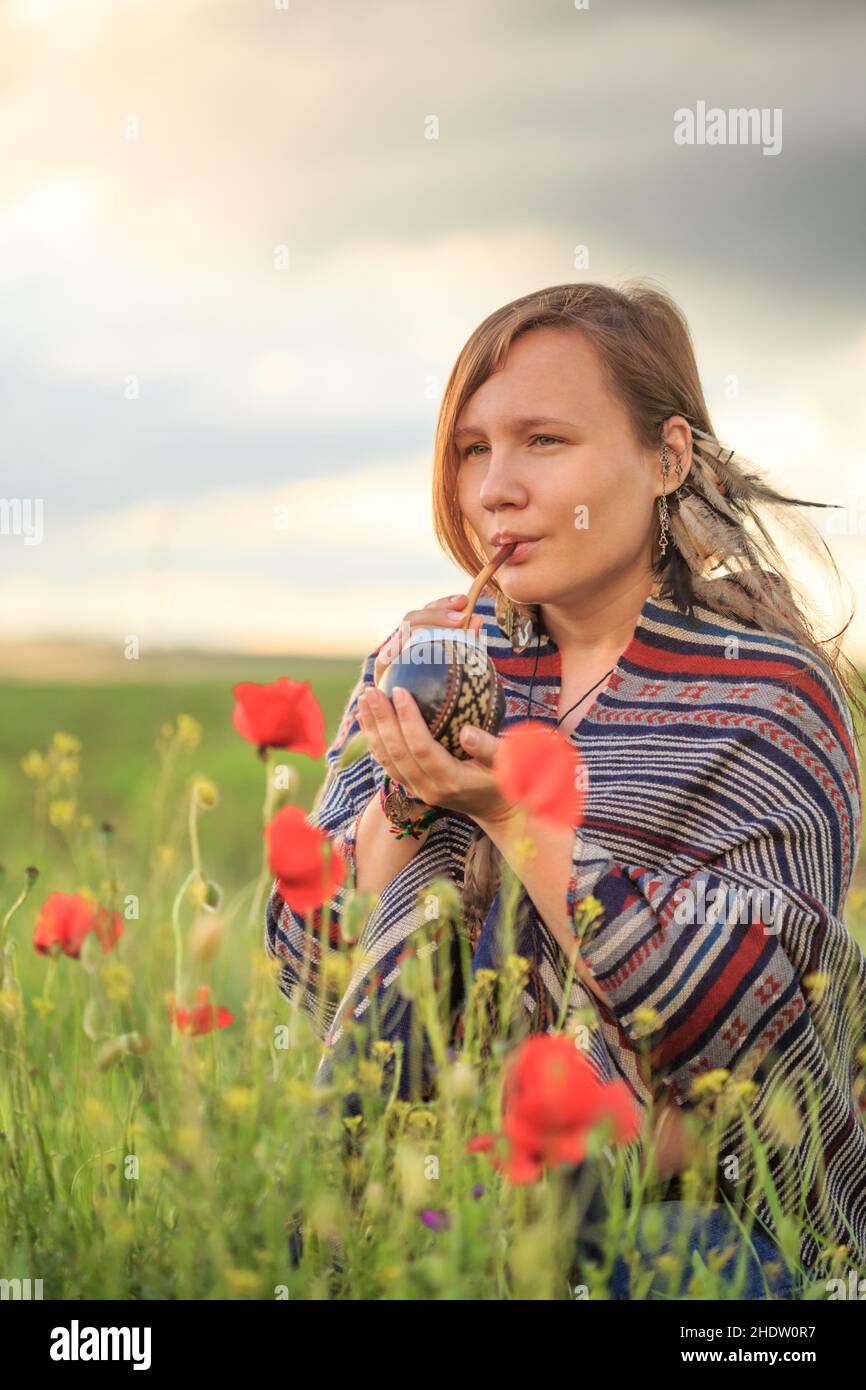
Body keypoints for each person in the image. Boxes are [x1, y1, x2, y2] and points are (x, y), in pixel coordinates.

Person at [266, 280, 866, 1292]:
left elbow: (752, 1032)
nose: (496, 485)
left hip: (687, 1222)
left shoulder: (762, 694)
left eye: (544, 441)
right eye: (472, 448)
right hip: (426, 1206)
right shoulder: (429, 659)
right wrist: (405, 804)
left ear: (666, 457)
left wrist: (513, 819)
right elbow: (307, 963)